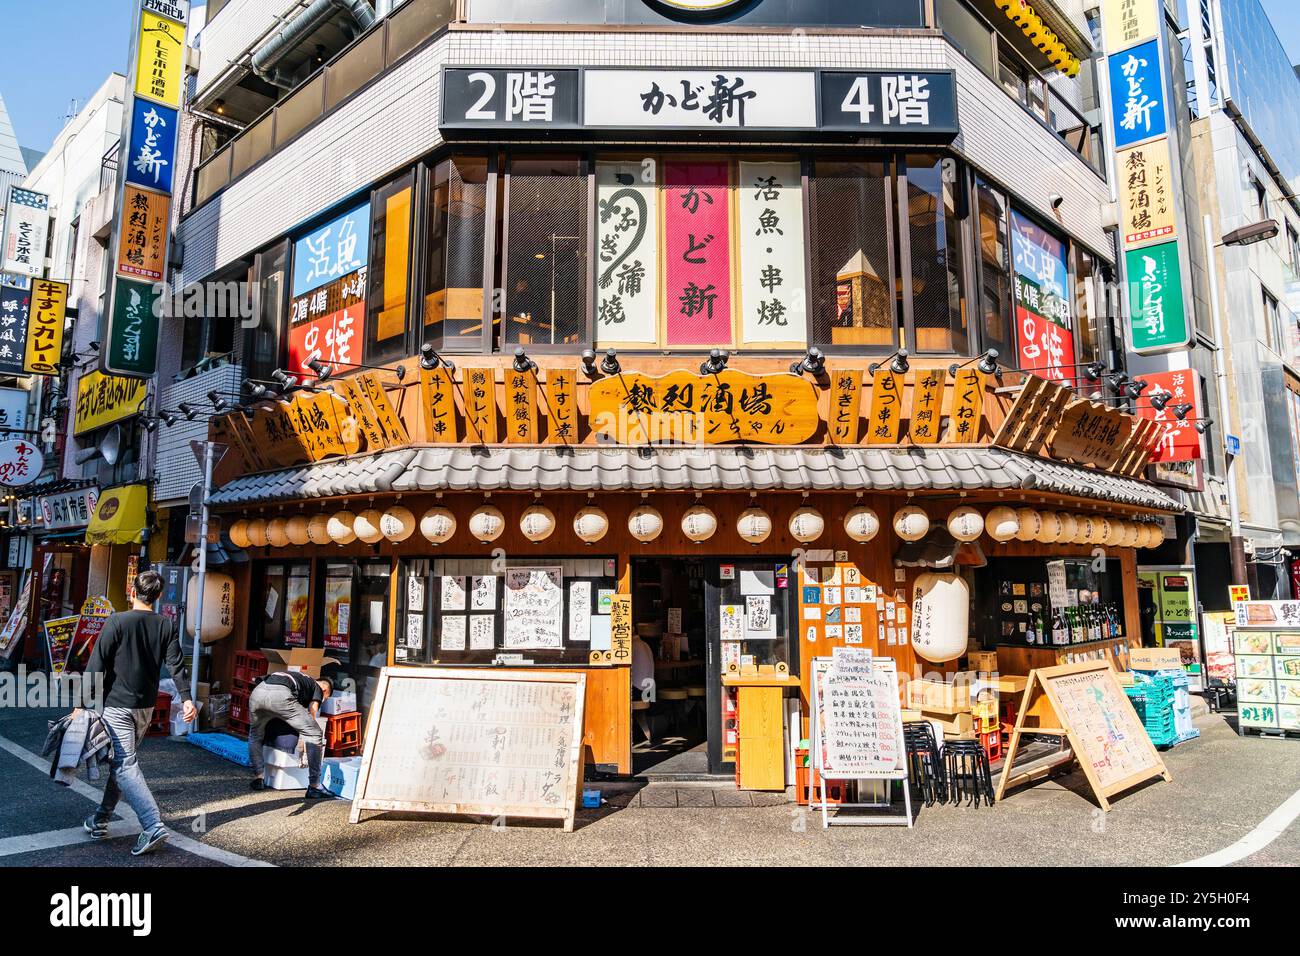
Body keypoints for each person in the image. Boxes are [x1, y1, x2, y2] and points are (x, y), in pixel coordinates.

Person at [82, 568, 197, 856]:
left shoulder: (117, 621)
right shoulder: (165, 625)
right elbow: (176, 666)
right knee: (122, 762)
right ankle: (100, 818)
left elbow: (96, 664)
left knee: (124, 765)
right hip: (145, 707)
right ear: (158, 597)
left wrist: (81, 705)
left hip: (117, 705)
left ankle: (152, 825)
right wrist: (186, 698)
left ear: (133, 592)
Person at [247, 670, 334, 799]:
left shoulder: (297, 676)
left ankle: (258, 778)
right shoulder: (318, 687)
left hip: (258, 693)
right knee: (315, 734)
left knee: (255, 734)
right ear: (325, 690)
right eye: (325, 699)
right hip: (280, 696)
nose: (323, 700)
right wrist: (307, 735)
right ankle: (315, 786)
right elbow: (313, 710)